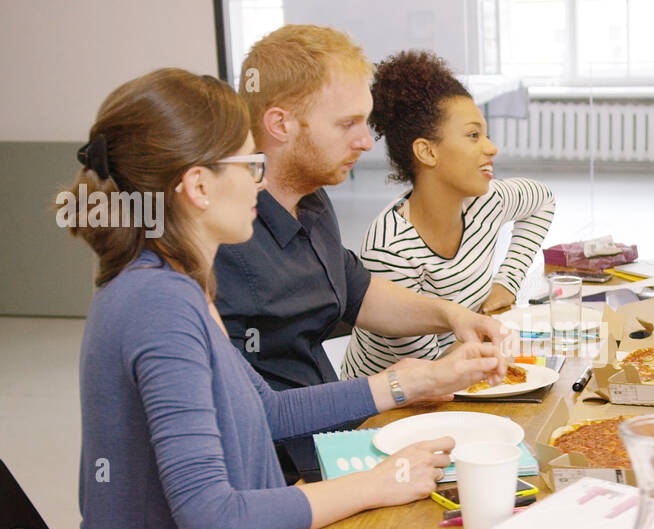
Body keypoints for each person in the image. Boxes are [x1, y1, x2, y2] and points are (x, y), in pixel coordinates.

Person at [46, 68, 503, 529]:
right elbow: (213, 518)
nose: (259, 185)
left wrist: (406, 383)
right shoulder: (159, 305)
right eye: (249, 166)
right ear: (198, 186)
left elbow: (261, 411)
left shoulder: (178, 282)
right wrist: (374, 484)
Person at [213, 26, 510, 478]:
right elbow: (251, 412)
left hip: (333, 442)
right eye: (346, 124)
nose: (366, 141)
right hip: (274, 472)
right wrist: (402, 384)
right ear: (280, 124)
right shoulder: (225, 239)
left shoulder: (310, 199)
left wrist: (453, 316)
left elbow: (357, 289)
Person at [338, 51, 555, 379]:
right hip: (389, 411)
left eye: (485, 133)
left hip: (455, 379)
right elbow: (428, 374)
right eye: (473, 135)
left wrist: (507, 282)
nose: (491, 147)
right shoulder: (390, 248)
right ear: (427, 151)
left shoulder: (487, 202)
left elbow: (543, 201)